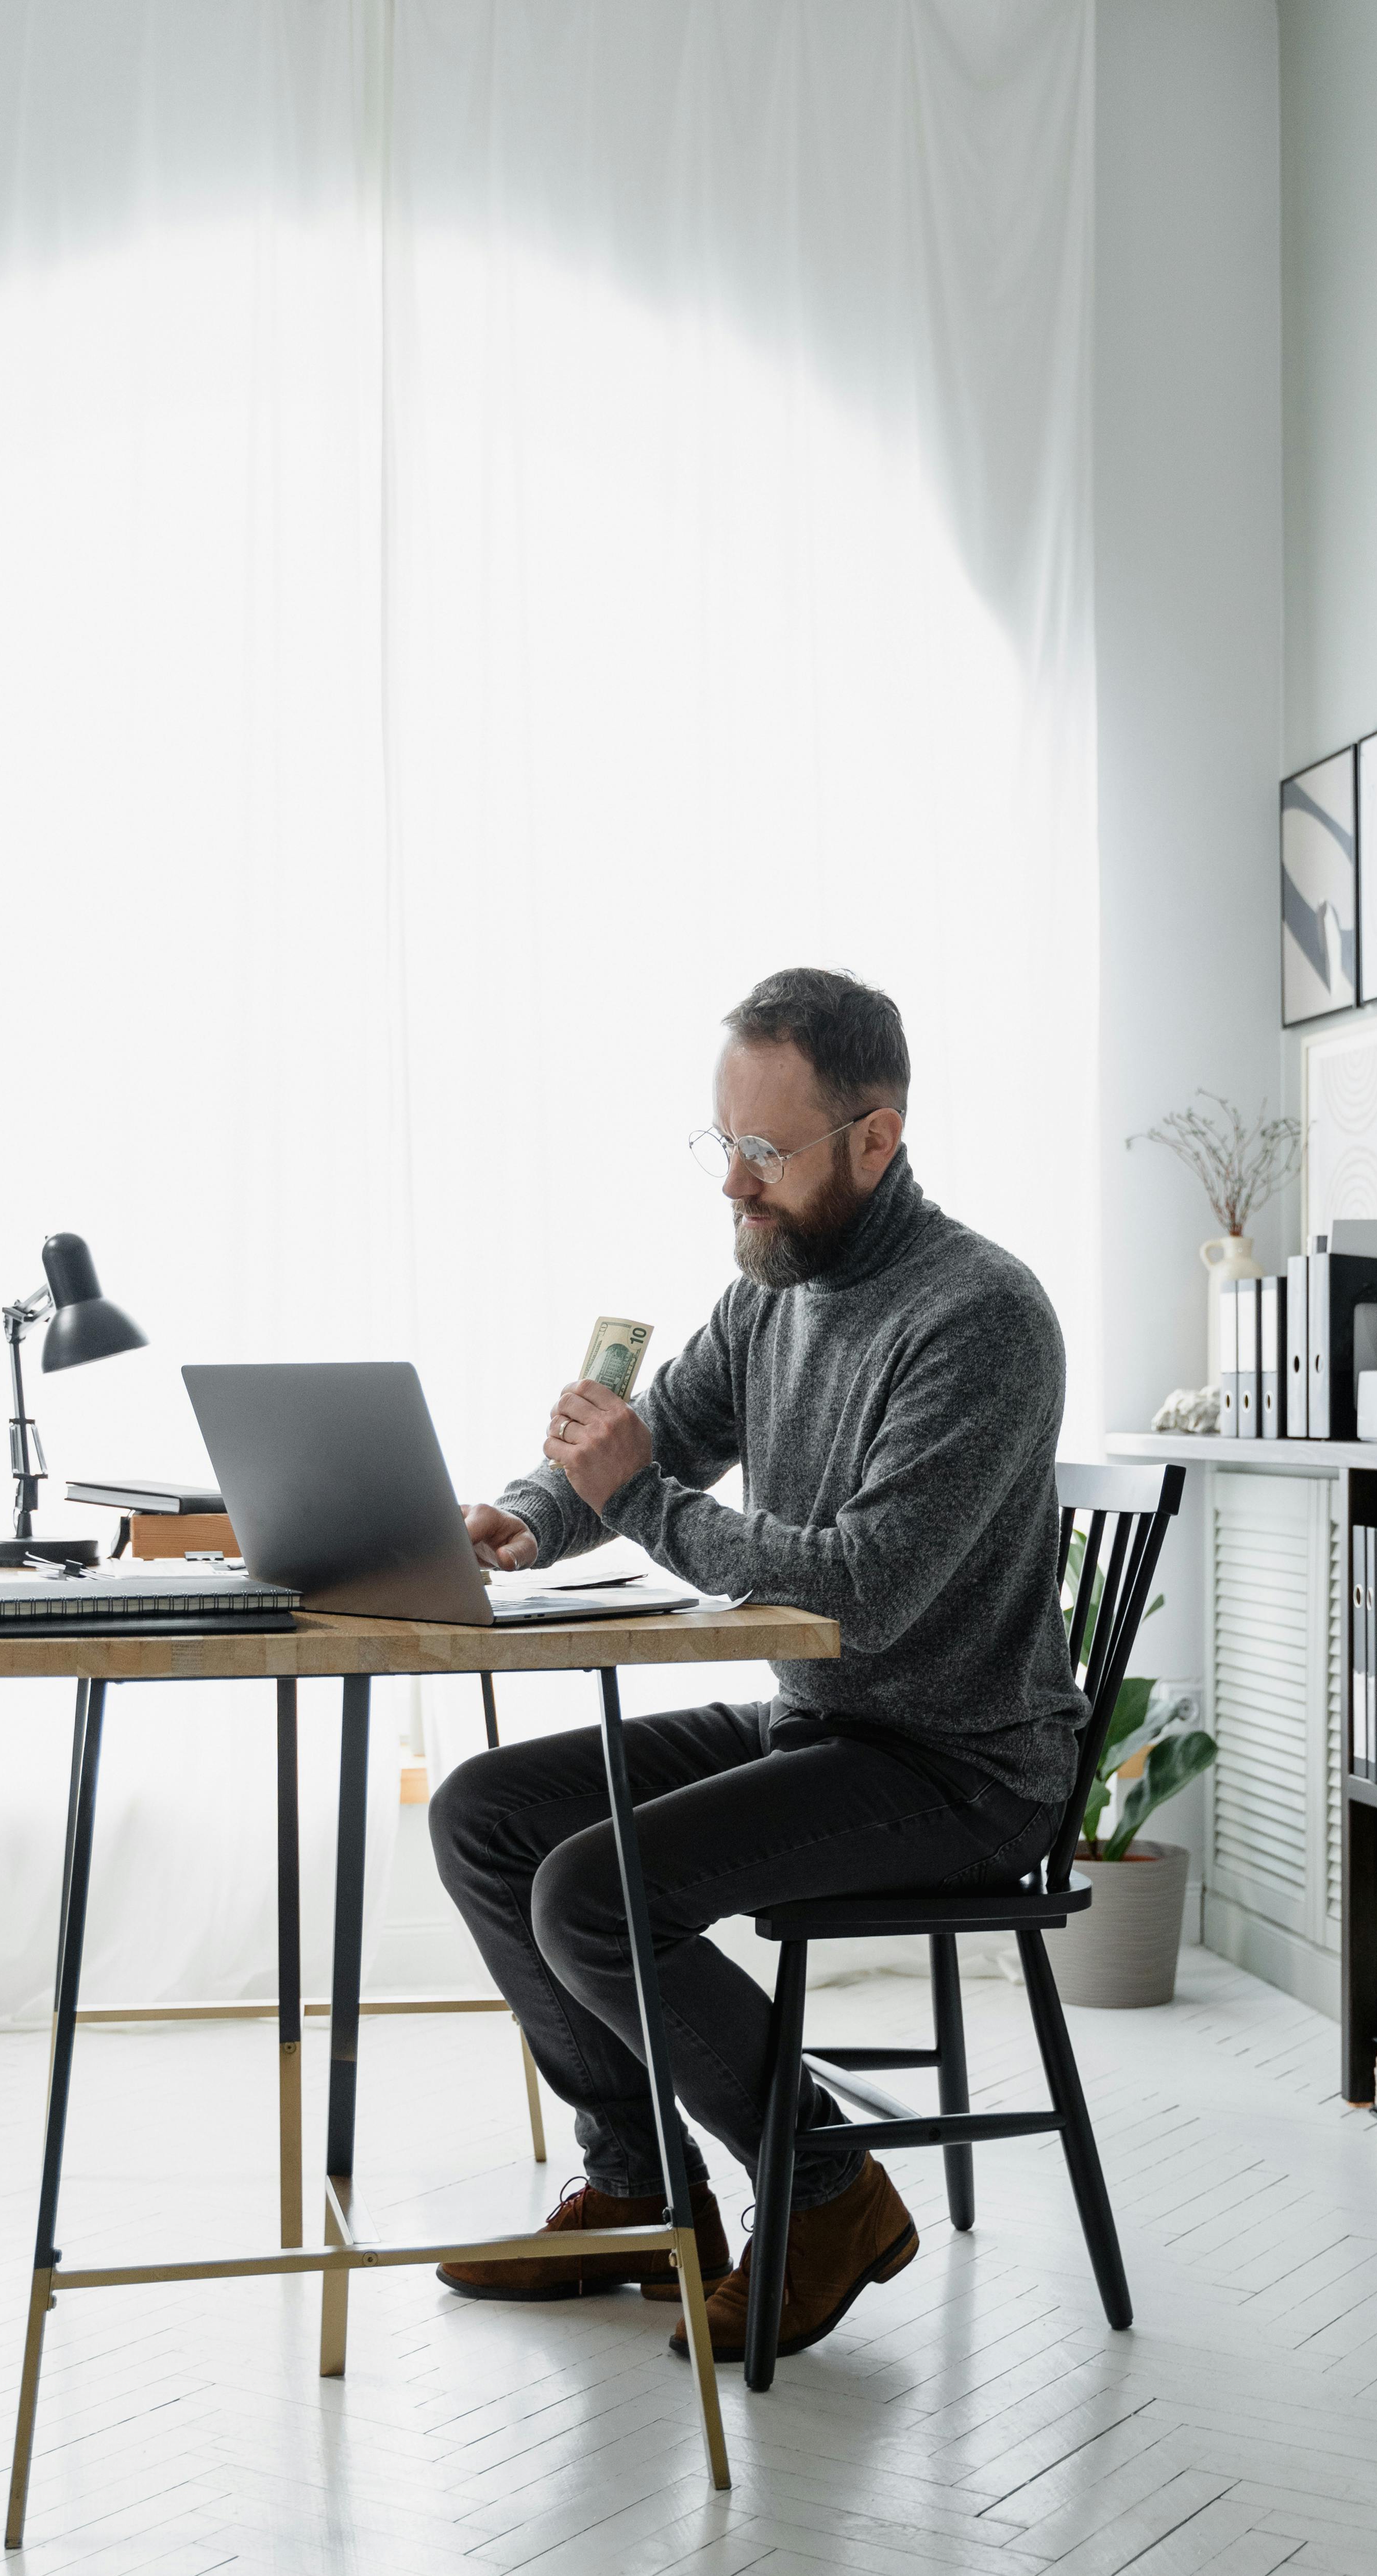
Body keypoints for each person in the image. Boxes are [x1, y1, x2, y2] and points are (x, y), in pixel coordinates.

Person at [428, 968, 1083, 2364]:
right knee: (485, 1813)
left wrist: (635, 1500)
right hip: (821, 1722)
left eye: (766, 1153)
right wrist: (529, 1511)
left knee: (593, 1894)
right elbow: (659, 1430)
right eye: (721, 1144)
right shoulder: (773, 1286)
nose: (734, 1183)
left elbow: (864, 1586)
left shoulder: (979, 1316)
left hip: (960, 1765)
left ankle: (824, 2190)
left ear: (875, 1139)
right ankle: (634, 2183)